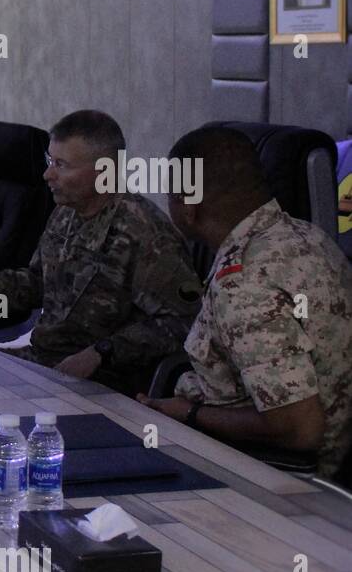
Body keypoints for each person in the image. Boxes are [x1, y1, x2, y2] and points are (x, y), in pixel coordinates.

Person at [0, 110, 202, 395]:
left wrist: (102, 352)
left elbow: (182, 324)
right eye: (50, 160)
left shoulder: (145, 231)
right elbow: (36, 284)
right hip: (47, 361)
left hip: (104, 380)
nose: (47, 174)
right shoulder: (65, 213)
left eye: (61, 165)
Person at [139, 127, 352, 480]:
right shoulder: (306, 236)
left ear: (189, 206)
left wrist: (186, 414)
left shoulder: (244, 280)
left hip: (269, 474)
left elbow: (300, 428)